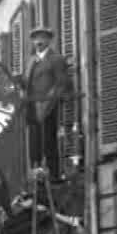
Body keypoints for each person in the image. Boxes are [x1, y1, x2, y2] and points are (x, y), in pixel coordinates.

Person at [25, 25, 74, 183]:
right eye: (35, 38)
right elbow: (25, 83)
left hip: (49, 106)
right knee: (34, 143)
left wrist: (49, 100)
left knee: (49, 140)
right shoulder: (31, 62)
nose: (38, 41)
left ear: (48, 40)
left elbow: (62, 82)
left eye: (42, 38)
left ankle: (54, 174)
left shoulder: (56, 59)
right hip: (32, 107)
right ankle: (37, 175)